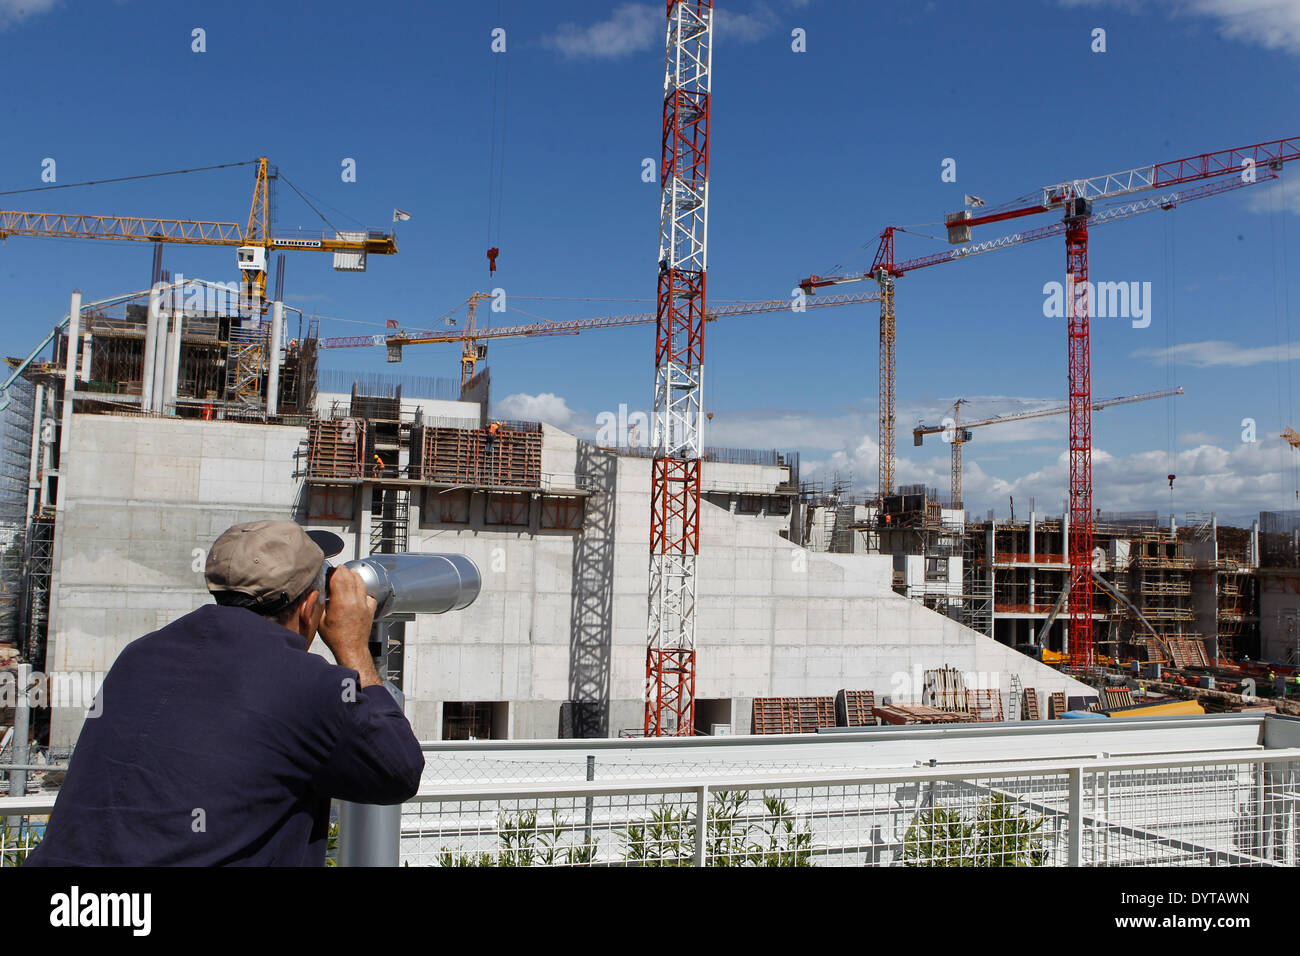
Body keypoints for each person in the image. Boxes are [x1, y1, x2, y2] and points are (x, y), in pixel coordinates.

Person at [26, 520, 424, 866]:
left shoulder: (140, 656)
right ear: (308, 609)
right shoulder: (309, 685)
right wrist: (353, 647)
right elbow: (397, 771)